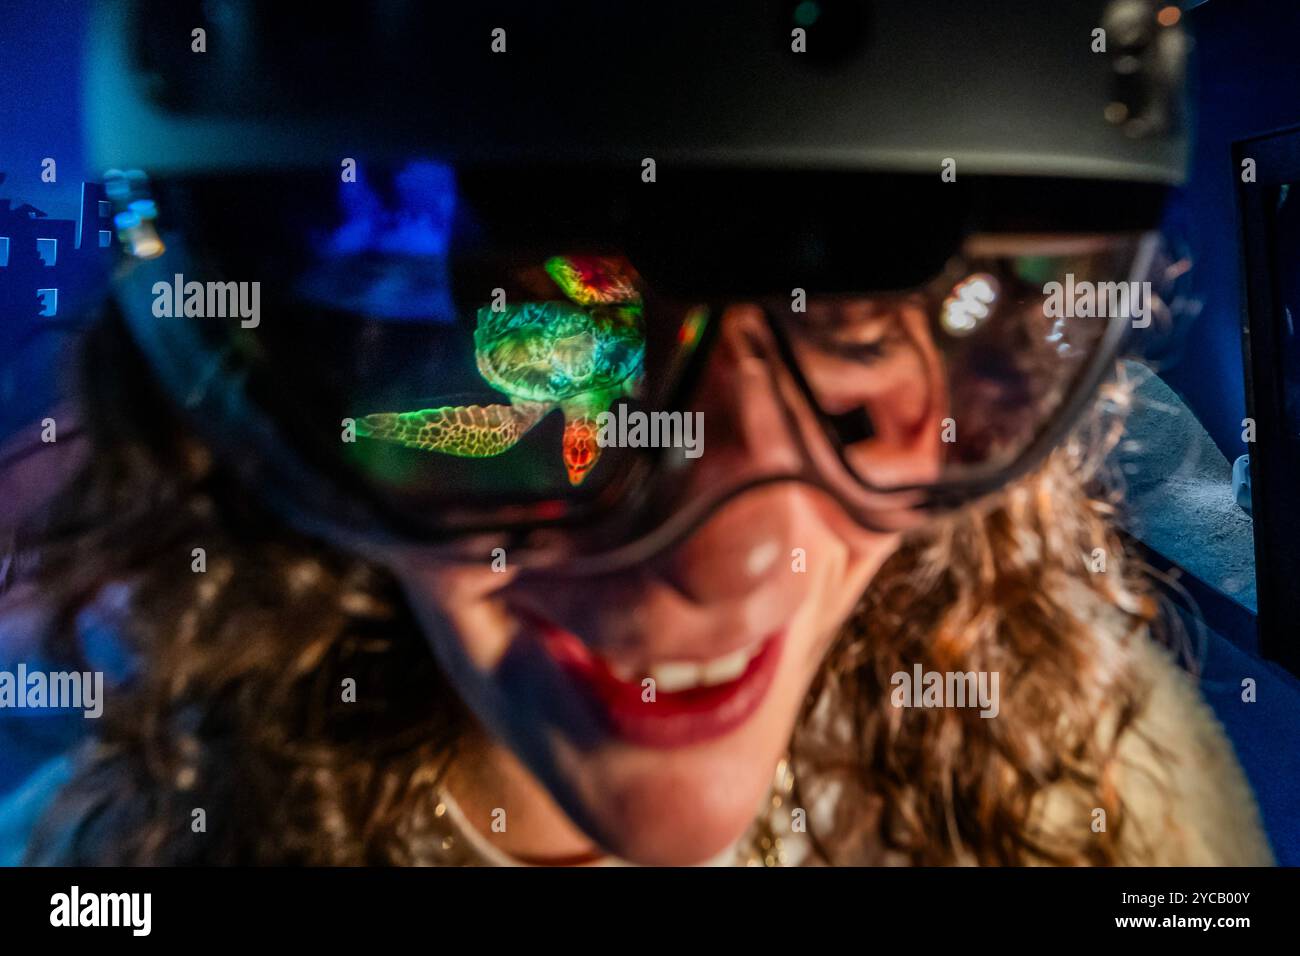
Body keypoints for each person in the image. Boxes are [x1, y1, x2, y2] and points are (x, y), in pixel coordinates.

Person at [0, 0, 1272, 866]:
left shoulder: (1107, 785)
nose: (730, 560)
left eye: (847, 343)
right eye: (578, 361)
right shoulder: (125, 849)